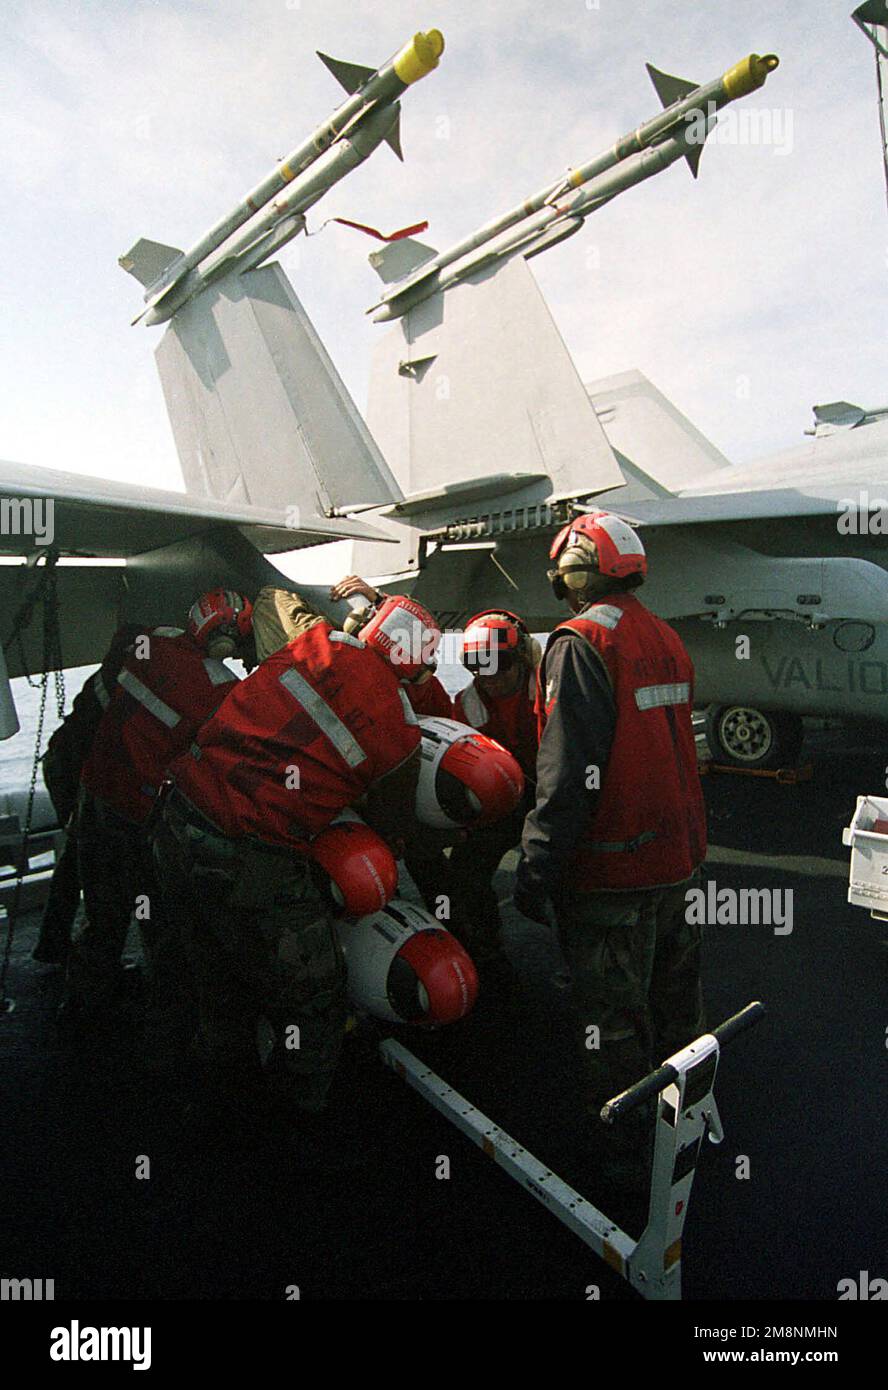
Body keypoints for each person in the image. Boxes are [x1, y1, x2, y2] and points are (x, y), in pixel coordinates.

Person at [149, 585, 439, 1123]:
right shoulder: (400, 734)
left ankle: (210, 1095)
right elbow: (392, 827)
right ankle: (295, 1121)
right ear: (418, 666)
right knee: (313, 995)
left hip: (178, 816)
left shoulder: (312, 642)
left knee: (210, 967)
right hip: (249, 854)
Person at [514, 511, 707, 1196]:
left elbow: (566, 776)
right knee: (674, 997)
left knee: (612, 1016)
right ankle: (688, 1122)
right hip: (674, 857)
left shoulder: (581, 641)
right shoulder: (664, 636)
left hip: (612, 870)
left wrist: (536, 868)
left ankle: (628, 1153)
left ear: (574, 572)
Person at [60, 590, 253, 1047]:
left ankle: (81, 1012)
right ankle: (166, 1041)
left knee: (103, 912)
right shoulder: (220, 687)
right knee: (160, 925)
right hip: (140, 818)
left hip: (96, 794)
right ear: (226, 637)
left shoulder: (151, 639)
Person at [329, 578, 540, 973]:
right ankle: (479, 946)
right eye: (479, 667)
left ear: (525, 657)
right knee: (459, 874)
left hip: (546, 796)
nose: (490, 677)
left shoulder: (547, 691)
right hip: (486, 800)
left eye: (499, 664)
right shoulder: (467, 701)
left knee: (561, 873)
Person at [33, 622, 144, 965]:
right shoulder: (121, 681)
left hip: (66, 762)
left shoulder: (110, 676)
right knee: (83, 853)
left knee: (76, 855)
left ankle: (55, 942)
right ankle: (77, 949)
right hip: (72, 769)